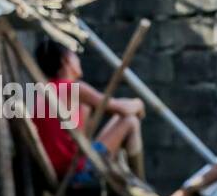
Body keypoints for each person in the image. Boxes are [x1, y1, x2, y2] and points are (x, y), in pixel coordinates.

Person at [31, 37, 147, 180]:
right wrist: (139, 104)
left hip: (60, 170)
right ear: (66, 60)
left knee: (87, 108)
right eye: (75, 56)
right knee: (130, 121)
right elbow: (122, 108)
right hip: (74, 173)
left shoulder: (44, 90)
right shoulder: (72, 88)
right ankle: (140, 182)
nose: (78, 60)